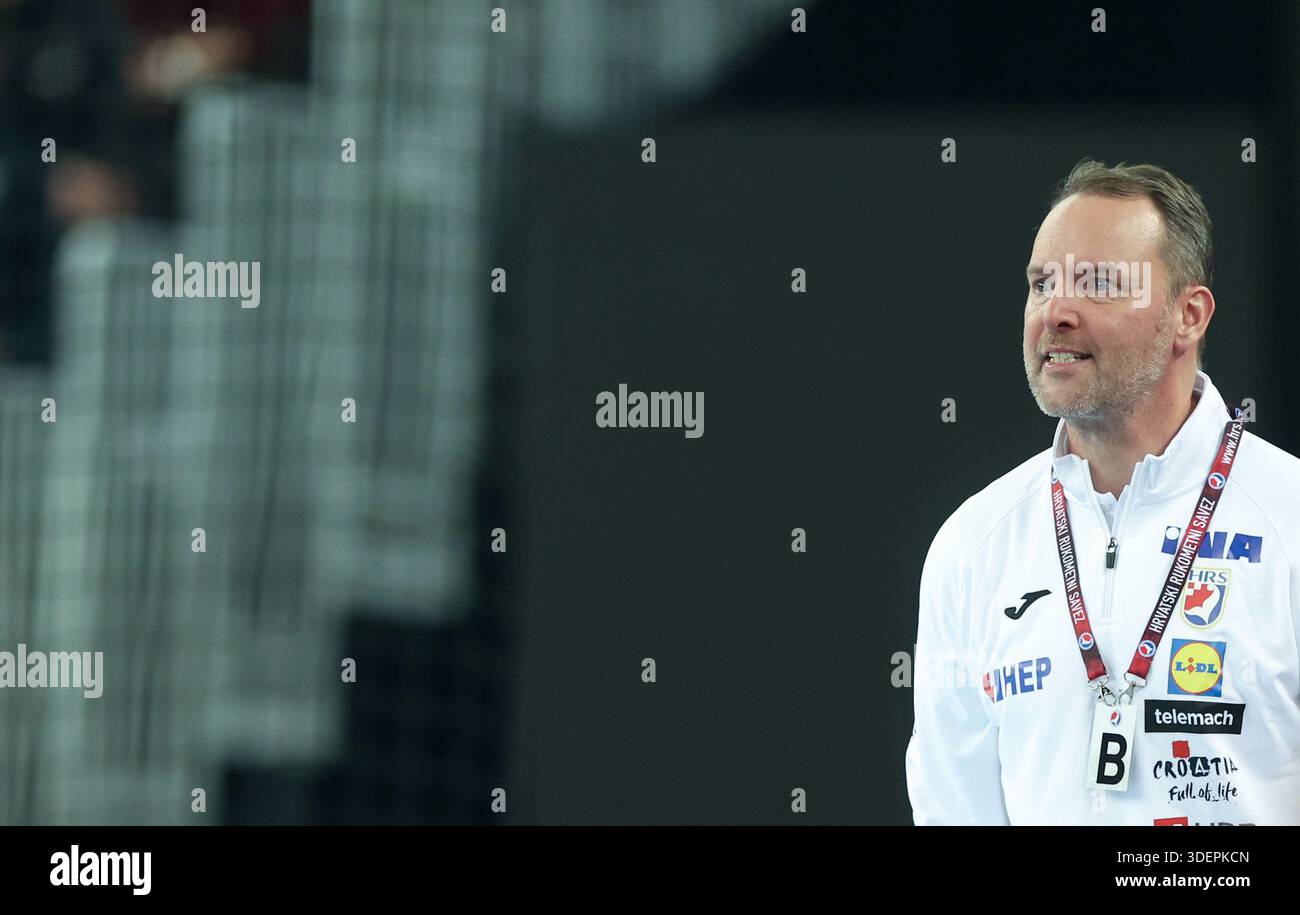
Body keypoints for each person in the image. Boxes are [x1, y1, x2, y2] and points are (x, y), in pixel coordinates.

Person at [904, 160, 1300, 825]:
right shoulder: (973, 544)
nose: (1056, 312)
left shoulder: (1288, 517)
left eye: (1099, 284)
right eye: (1041, 284)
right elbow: (953, 809)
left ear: (1188, 315)